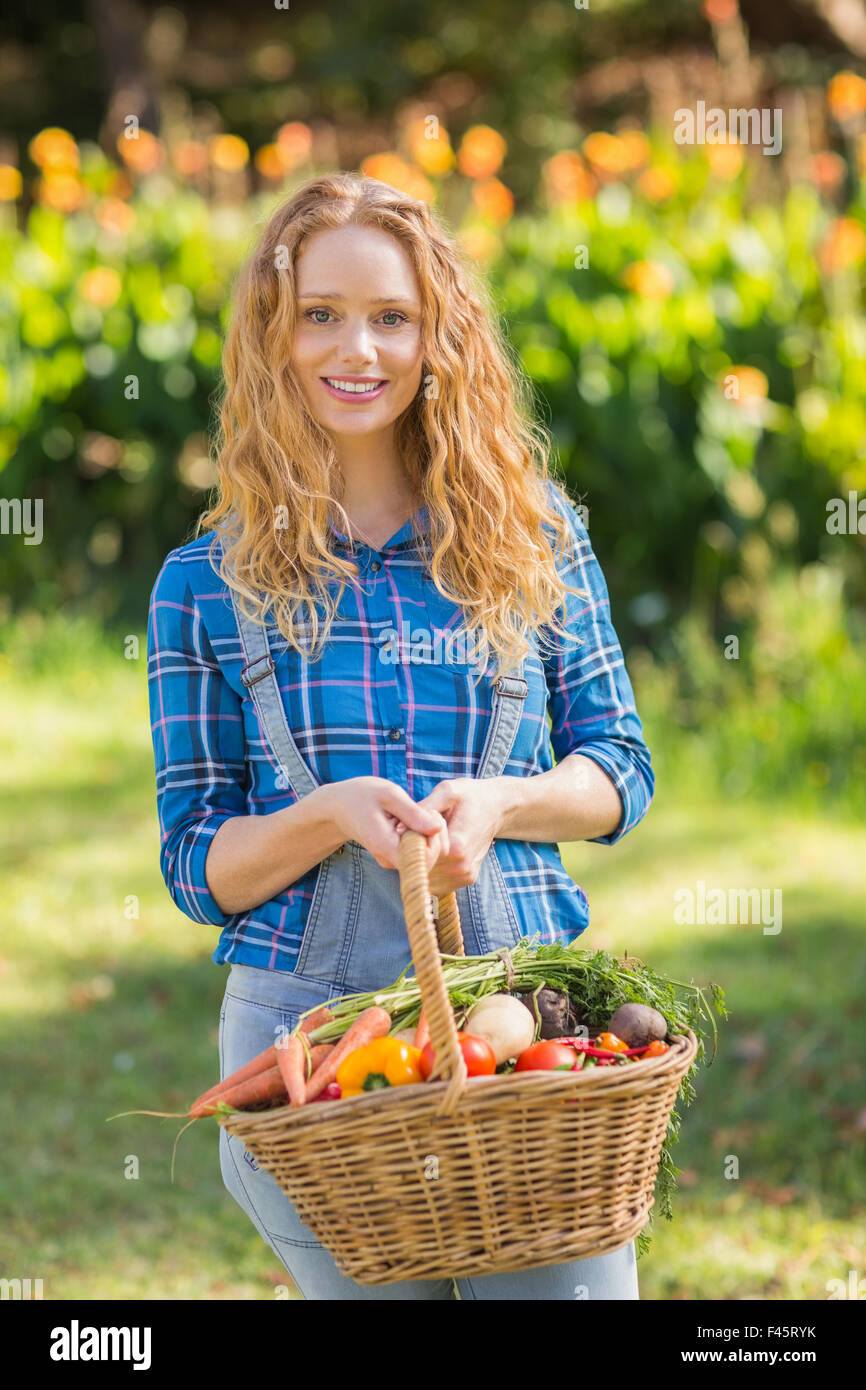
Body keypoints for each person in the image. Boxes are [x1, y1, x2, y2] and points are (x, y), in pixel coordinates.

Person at [146, 172, 655, 1300]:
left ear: (438, 336)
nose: (355, 349)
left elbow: (619, 769)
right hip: (306, 1046)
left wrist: (505, 802)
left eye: (390, 316)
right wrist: (325, 816)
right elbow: (196, 865)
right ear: (273, 335)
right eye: (319, 313)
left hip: (521, 1018)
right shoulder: (203, 586)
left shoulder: (533, 537)